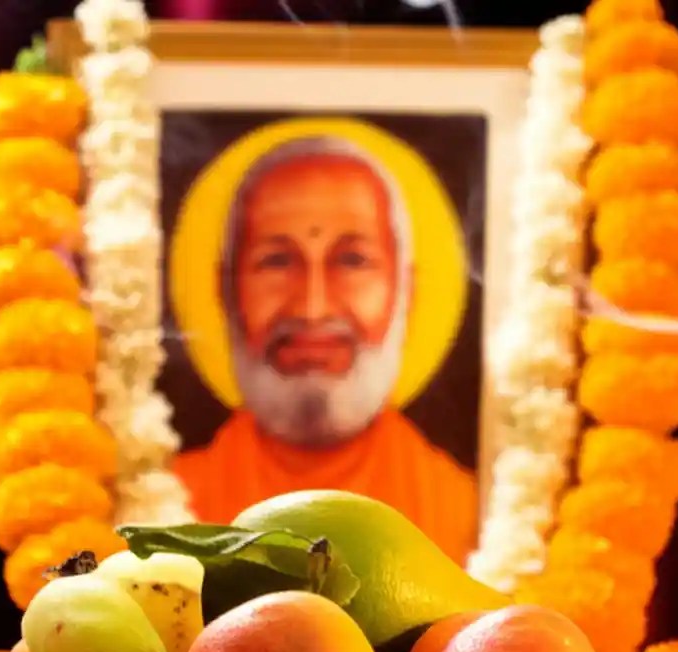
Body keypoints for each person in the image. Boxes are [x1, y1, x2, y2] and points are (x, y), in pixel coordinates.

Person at [173, 135, 477, 562]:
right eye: (276, 261)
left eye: (352, 260)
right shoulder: (167, 508)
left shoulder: (468, 513)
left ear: (406, 291)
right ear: (223, 289)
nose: (313, 308)